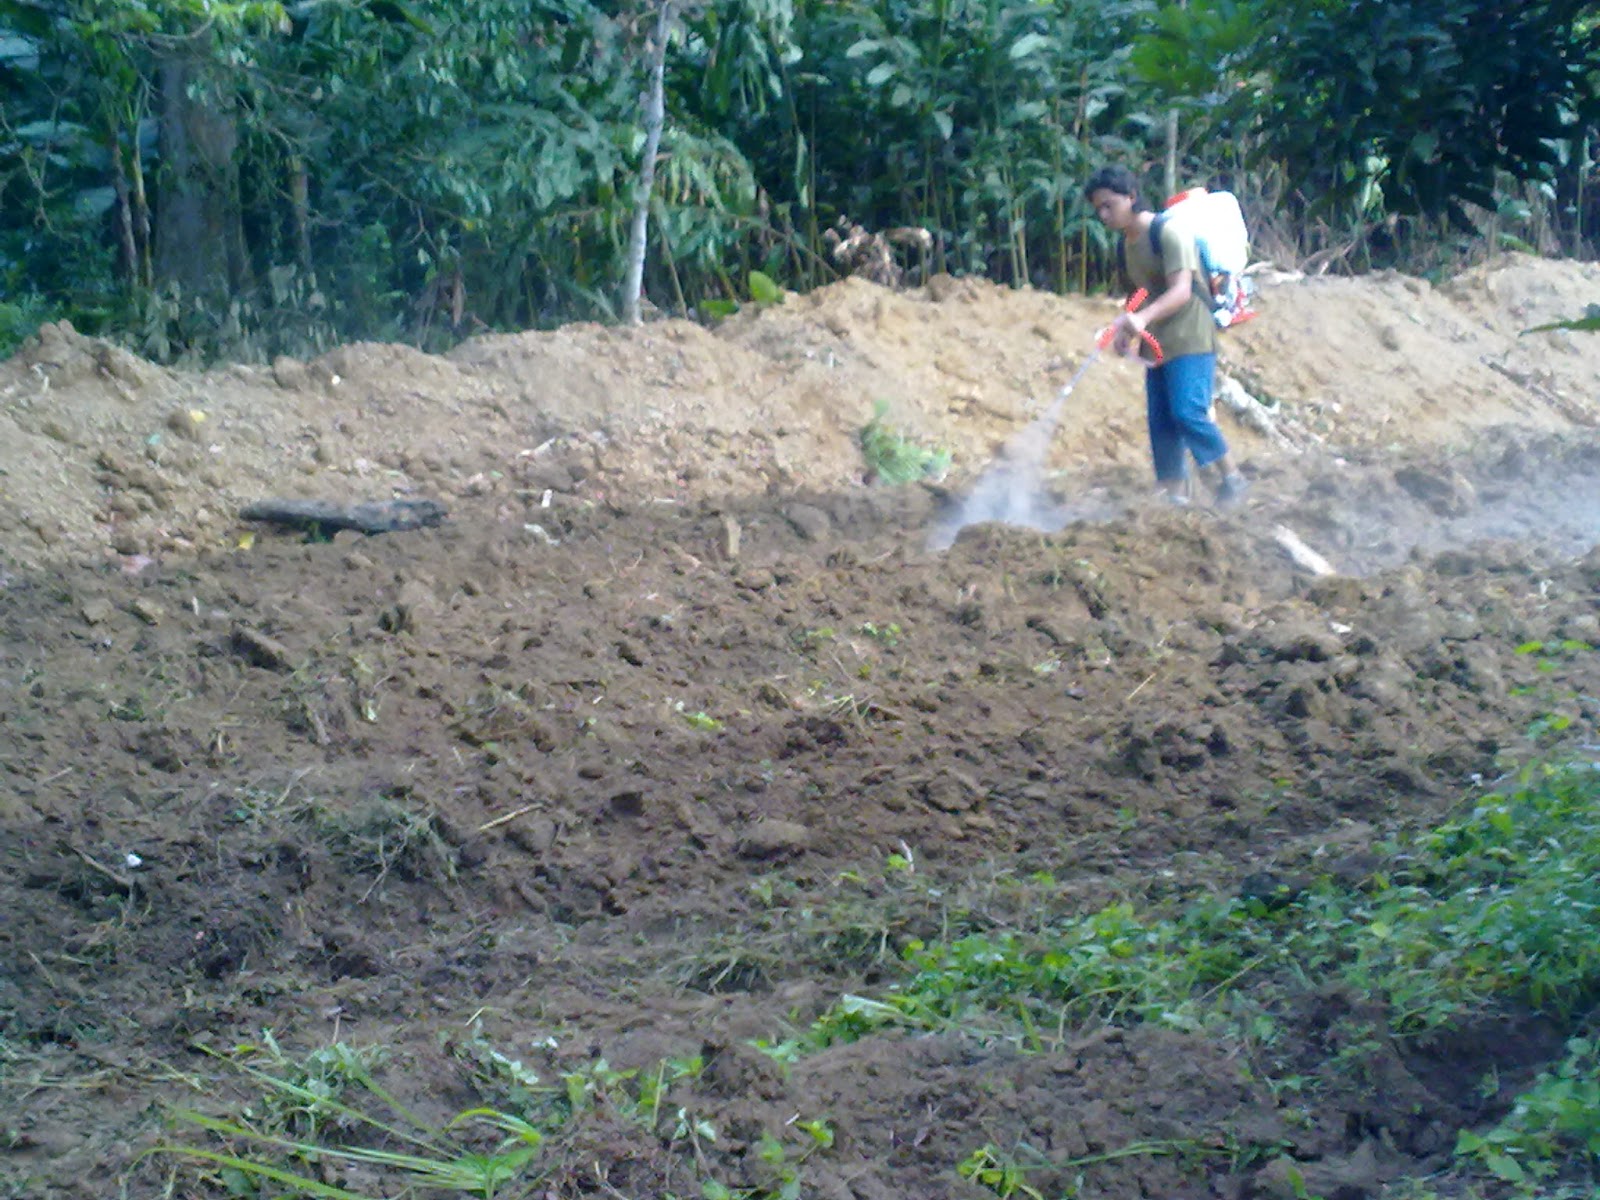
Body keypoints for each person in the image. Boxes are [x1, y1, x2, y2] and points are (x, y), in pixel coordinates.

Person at [1083, 165, 1248, 505]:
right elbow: (1139, 294)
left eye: (1109, 205)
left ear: (1131, 197)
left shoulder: (1169, 232)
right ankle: (1174, 495)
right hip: (1158, 338)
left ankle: (1232, 477)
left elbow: (1181, 291)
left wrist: (1140, 320)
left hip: (1191, 333)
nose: (1103, 215)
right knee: (1161, 420)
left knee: (1187, 411)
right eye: (1098, 208)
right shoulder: (1125, 246)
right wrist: (1125, 330)